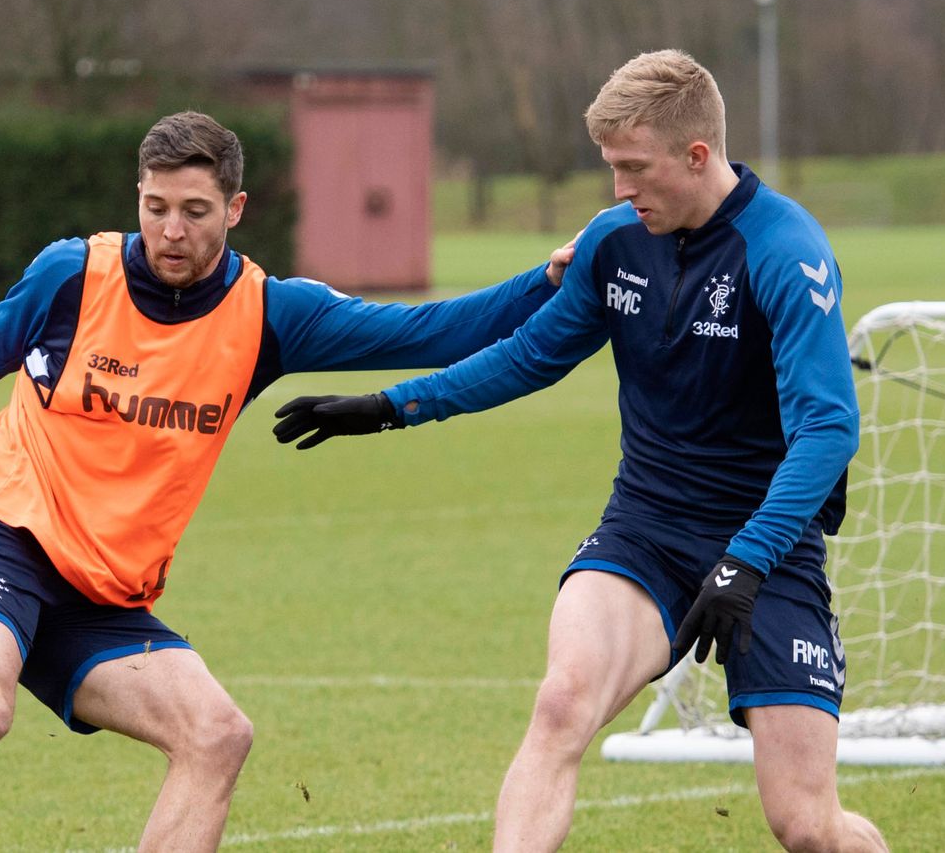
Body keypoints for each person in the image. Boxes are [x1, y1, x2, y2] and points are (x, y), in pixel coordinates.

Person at [0, 111, 573, 853]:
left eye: (195, 212)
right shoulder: (74, 274)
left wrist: (546, 281)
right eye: (155, 206)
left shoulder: (271, 314)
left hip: (101, 591)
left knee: (217, 735)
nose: (171, 230)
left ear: (236, 211)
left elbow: (434, 328)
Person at [274, 50, 887, 852]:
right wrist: (391, 407)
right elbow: (529, 355)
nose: (619, 190)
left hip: (767, 547)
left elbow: (830, 429)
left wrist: (748, 560)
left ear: (697, 156)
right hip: (646, 528)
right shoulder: (615, 242)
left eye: (634, 168)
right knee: (562, 705)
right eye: (611, 169)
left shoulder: (784, 250)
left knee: (807, 827)